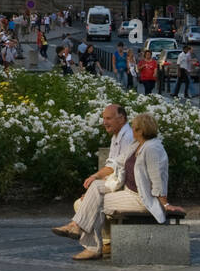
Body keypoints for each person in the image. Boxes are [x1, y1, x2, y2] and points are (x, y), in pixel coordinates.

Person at [67, 113, 173, 260]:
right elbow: (118, 162)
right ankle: (80, 229)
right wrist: (101, 176)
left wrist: (165, 203)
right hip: (129, 193)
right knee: (96, 187)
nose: (132, 131)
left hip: (141, 199)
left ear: (141, 131)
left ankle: (91, 245)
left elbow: (157, 180)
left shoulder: (152, 148)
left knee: (95, 203)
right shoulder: (136, 145)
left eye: (134, 128)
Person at [51, 104, 136, 245]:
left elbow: (120, 169)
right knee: (82, 201)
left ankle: (81, 230)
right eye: (103, 118)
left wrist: (95, 183)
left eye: (108, 118)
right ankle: (101, 238)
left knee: (87, 201)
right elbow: (112, 166)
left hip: (127, 188)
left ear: (121, 119)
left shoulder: (127, 137)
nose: (105, 122)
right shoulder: (117, 136)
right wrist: (95, 178)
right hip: (119, 183)